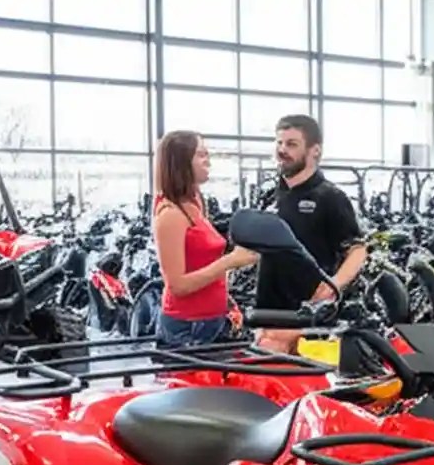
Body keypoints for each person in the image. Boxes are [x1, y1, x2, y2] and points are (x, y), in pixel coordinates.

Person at [255, 115, 368, 353]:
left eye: (291, 144)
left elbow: (358, 250)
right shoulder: (270, 195)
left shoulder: (330, 197)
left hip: (307, 319)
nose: (282, 150)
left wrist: (334, 285)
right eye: (279, 143)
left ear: (315, 150)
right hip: (266, 313)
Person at [153, 130, 255, 349]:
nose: (208, 159)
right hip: (187, 328)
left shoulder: (196, 203)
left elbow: (203, 262)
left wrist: (227, 301)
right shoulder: (171, 214)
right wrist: (230, 261)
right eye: (201, 154)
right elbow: (178, 285)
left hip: (212, 320)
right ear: (181, 162)